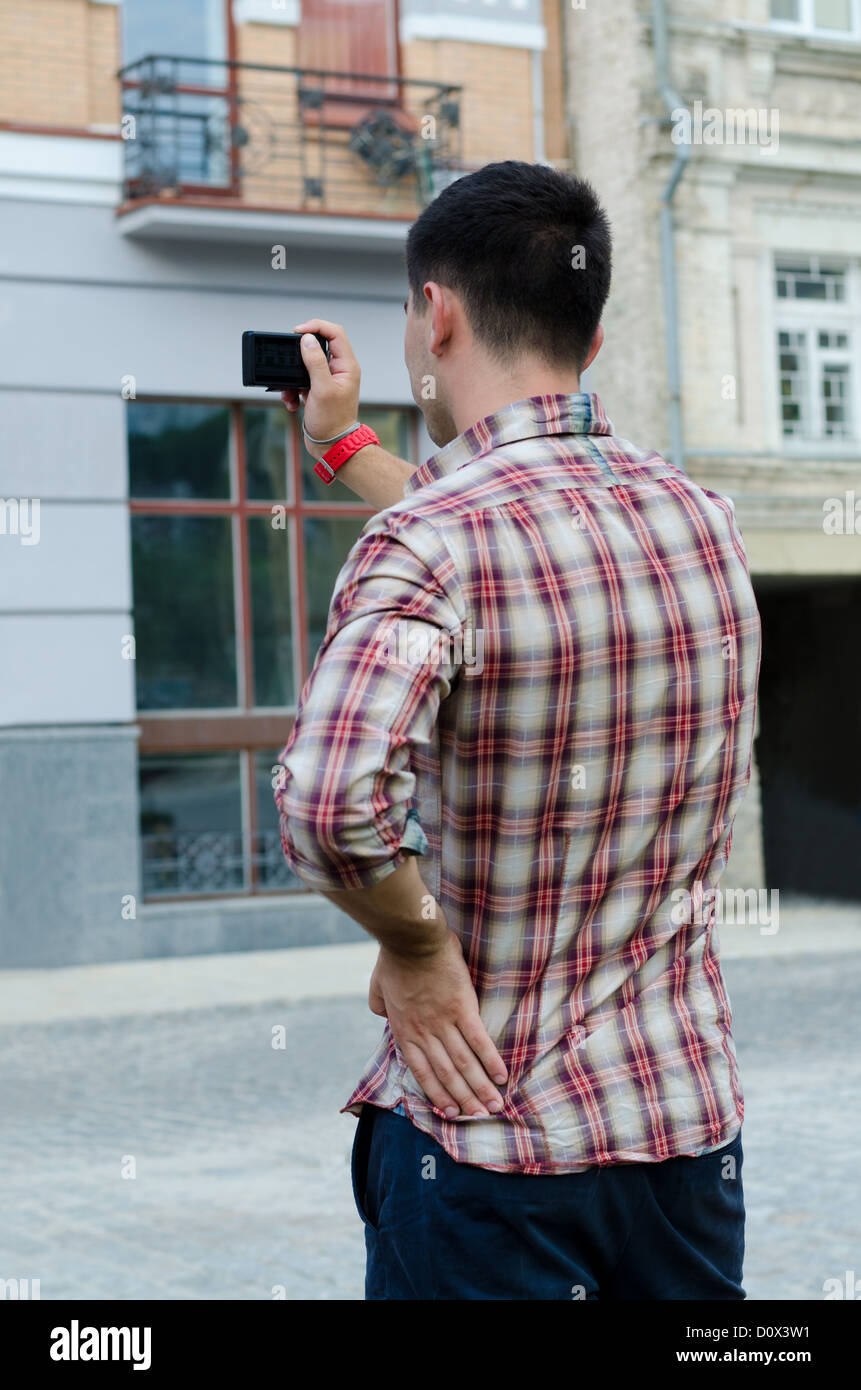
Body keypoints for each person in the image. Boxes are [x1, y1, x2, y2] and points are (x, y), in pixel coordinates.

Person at [274, 160, 761, 1301]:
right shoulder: (706, 524)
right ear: (590, 341)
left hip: (490, 1151)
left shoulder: (434, 546)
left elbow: (329, 804)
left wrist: (417, 948)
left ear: (434, 314)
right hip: (684, 1141)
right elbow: (526, 537)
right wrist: (345, 450)